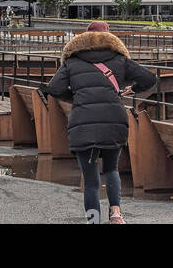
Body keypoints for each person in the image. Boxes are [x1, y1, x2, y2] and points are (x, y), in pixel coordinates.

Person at [45, 21, 156, 225]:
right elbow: (149, 79)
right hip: (113, 120)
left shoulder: (72, 61)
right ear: (109, 37)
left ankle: (93, 221)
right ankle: (115, 214)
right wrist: (133, 89)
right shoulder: (120, 59)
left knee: (90, 180)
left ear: (83, 38)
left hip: (83, 123)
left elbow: (54, 88)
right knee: (111, 169)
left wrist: (77, 97)